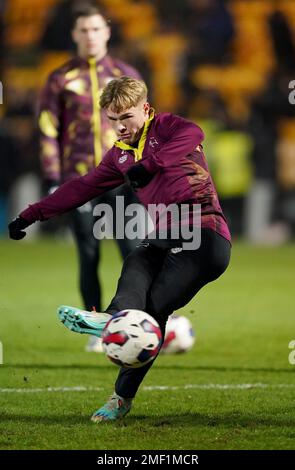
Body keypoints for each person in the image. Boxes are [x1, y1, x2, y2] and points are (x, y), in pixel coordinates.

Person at [9, 76, 231, 422]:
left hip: (205, 235)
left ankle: (120, 391)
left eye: (126, 117)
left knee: (153, 310)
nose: (119, 127)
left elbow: (195, 134)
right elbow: (81, 187)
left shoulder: (168, 127)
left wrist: (150, 164)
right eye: (112, 120)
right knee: (137, 260)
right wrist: (30, 215)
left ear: (145, 109)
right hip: (165, 235)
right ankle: (113, 322)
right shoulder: (120, 157)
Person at [38, 4, 143, 352]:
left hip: (123, 180)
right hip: (79, 181)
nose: (90, 35)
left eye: (96, 29)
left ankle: (134, 322)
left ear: (107, 32)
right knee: (89, 254)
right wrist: (54, 178)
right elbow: (47, 128)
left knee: (132, 253)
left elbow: (143, 128)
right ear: (74, 35)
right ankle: (97, 329)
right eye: (83, 30)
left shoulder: (126, 75)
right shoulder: (60, 78)